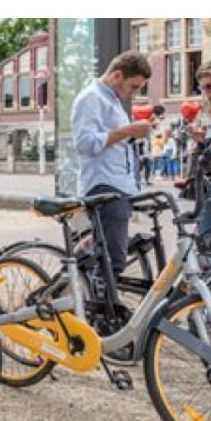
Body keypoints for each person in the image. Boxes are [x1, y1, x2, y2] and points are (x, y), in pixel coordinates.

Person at [71, 50, 152, 277]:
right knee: (113, 260)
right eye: (133, 87)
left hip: (118, 185)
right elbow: (84, 143)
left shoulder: (112, 101)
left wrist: (131, 134)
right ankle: (97, 309)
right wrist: (127, 130)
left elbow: (112, 141)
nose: (132, 94)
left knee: (111, 251)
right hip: (104, 186)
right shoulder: (92, 98)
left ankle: (82, 279)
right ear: (117, 75)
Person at [189, 59, 211, 244]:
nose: (207, 93)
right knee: (206, 243)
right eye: (203, 88)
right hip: (210, 183)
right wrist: (202, 142)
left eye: (210, 86)